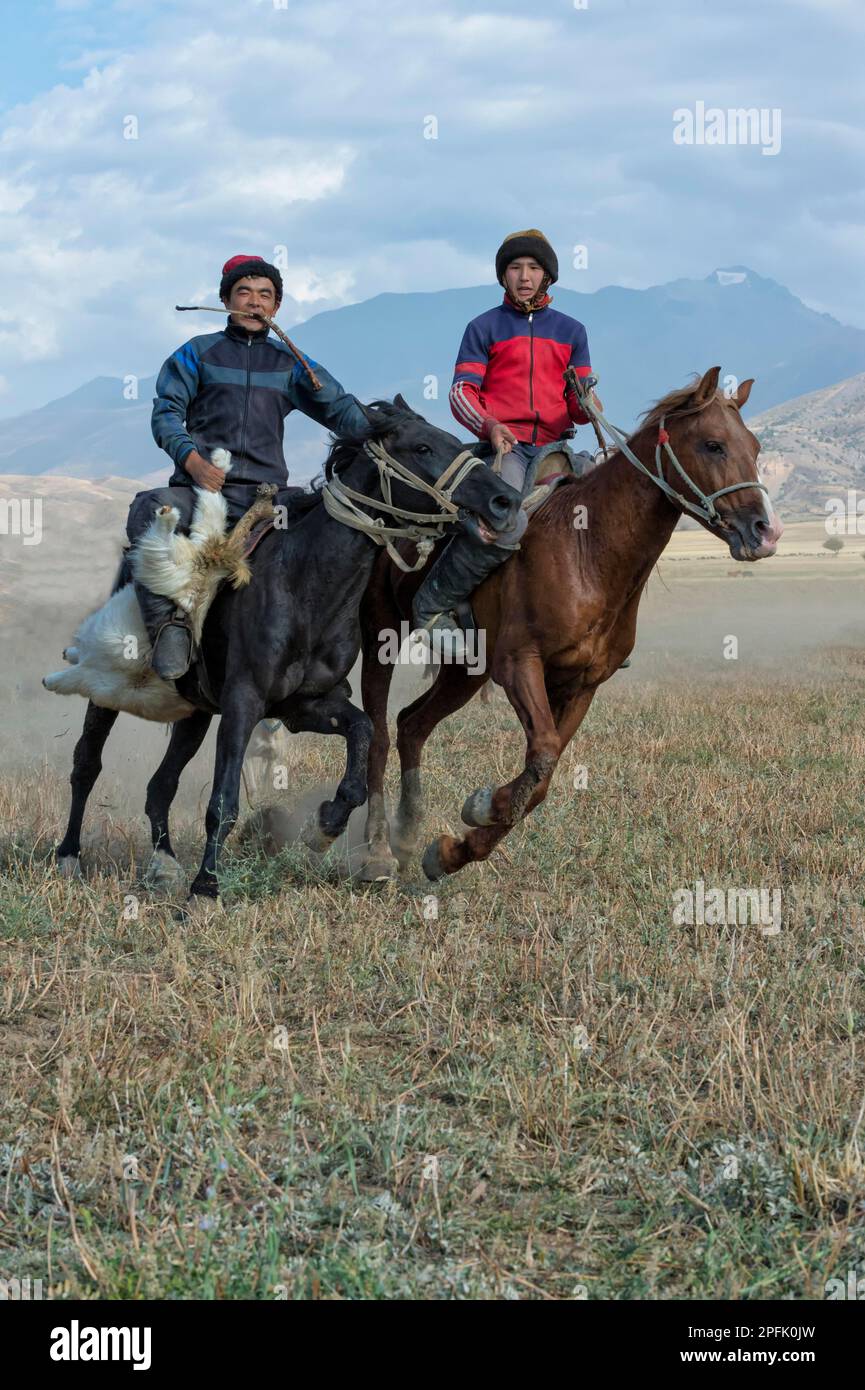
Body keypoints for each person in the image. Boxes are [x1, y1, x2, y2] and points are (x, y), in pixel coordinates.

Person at [128, 254, 369, 679]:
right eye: (244, 293)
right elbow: (165, 413)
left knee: (336, 523)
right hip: (201, 493)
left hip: (268, 497)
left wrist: (388, 429)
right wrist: (194, 462)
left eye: (266, 295)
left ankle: (323, 644)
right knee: (149, 507)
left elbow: (342, 411)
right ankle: (168, 629)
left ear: (276, 308)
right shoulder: (196, 354)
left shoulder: (292, 364)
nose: (255, 303)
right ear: (226, 300)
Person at [412, 229, 601, 638]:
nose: (524, 276)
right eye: (515, 268)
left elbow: (577, 403)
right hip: (507, 448)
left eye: (534, 268)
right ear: (503, 276)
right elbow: (462, 391)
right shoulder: (484, 327)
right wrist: (489, 425)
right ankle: (437, 609)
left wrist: (587, 404)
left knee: (604, 510)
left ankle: (596, 621)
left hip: (556, 447)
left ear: (548, 277)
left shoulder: (573, 332)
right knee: (502, 519)